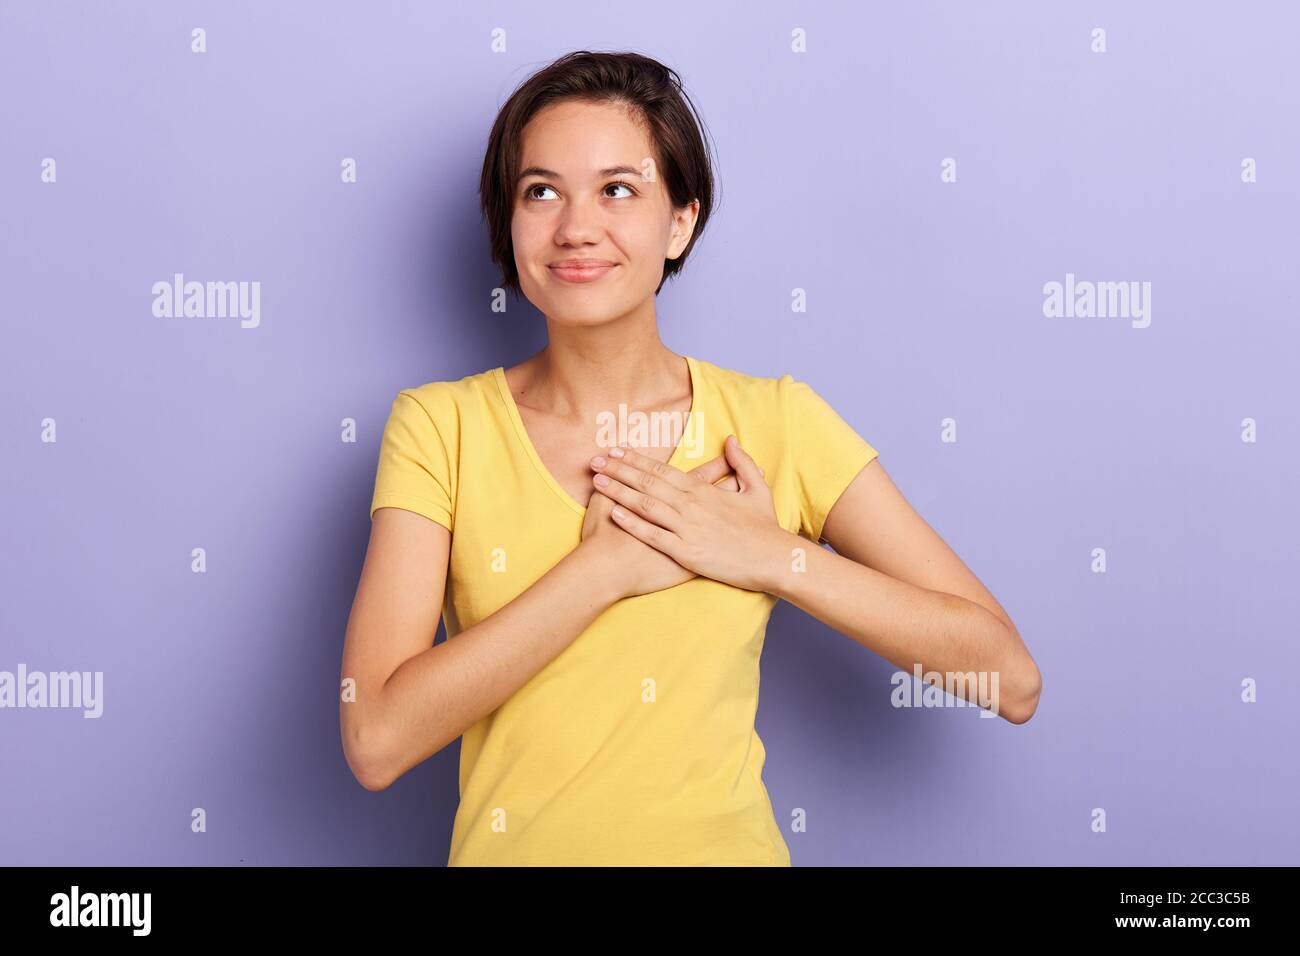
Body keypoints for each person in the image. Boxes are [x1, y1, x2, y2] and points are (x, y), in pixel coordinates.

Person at [340, 50, 1041, 866]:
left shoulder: (776, 422)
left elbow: (1010, 679)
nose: (575, 226)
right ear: (510, 220)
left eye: (618, 189)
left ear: (681, 221)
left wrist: (770, 556)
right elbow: (375, 739)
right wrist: (601, 571)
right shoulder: (439, 427)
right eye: (541, 191)